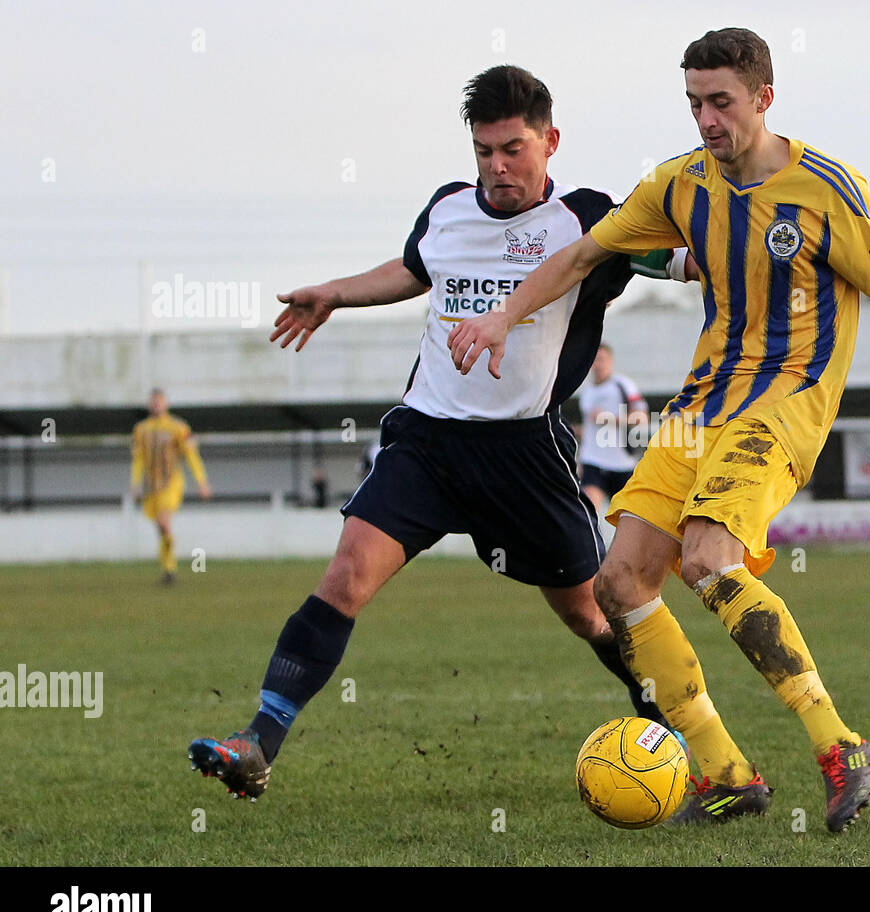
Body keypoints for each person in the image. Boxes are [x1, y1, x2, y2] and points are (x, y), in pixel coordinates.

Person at [449, 28, 870, 832]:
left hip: (785, 404)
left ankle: (841, 749)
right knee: (618, 584)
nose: (706, 119)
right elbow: (585, 256)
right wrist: (502, 317)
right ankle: (726, 774)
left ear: (764, 98)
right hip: (700, 407)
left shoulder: (829, 191)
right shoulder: (679, 184)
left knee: (706, 557)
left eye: (721, 102)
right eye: (694, 103)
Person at [187, 65, 694, 800]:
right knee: (347, 575)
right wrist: (337, 292)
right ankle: (258, 742)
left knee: (592, 610)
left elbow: (680, 258)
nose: (497, 167)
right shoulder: (449, 209)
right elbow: (416, 269)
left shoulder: (588, 221)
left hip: (524, 453)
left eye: (513, 148)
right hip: (427, 440)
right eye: (484, 150)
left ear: (551, 142)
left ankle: (677, 731)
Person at [130, 388, 210, 585]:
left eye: (159, 401)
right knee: (161, 527)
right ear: (150, 404)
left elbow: (191, 455)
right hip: (152, 485)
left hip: (172, 483)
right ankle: (168, 569)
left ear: (166, 403)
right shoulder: (141, 429)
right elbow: (138, 459)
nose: (156, 404)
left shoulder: (178, 427)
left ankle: (170, 569)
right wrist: (135, 484)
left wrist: (202, 482)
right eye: (153, 401)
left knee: (164, 523)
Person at [577, 343, 649, 521]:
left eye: (601, 359)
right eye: (594, 360)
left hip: (621, 463)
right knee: (588, 514)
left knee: (630, 519)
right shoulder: (586, 391)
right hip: (593, 462)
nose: (598, 365)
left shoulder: (622, 385)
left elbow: (641, 418)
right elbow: (591, 429)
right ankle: (595, 549)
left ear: (610, 361)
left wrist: (608, 418)